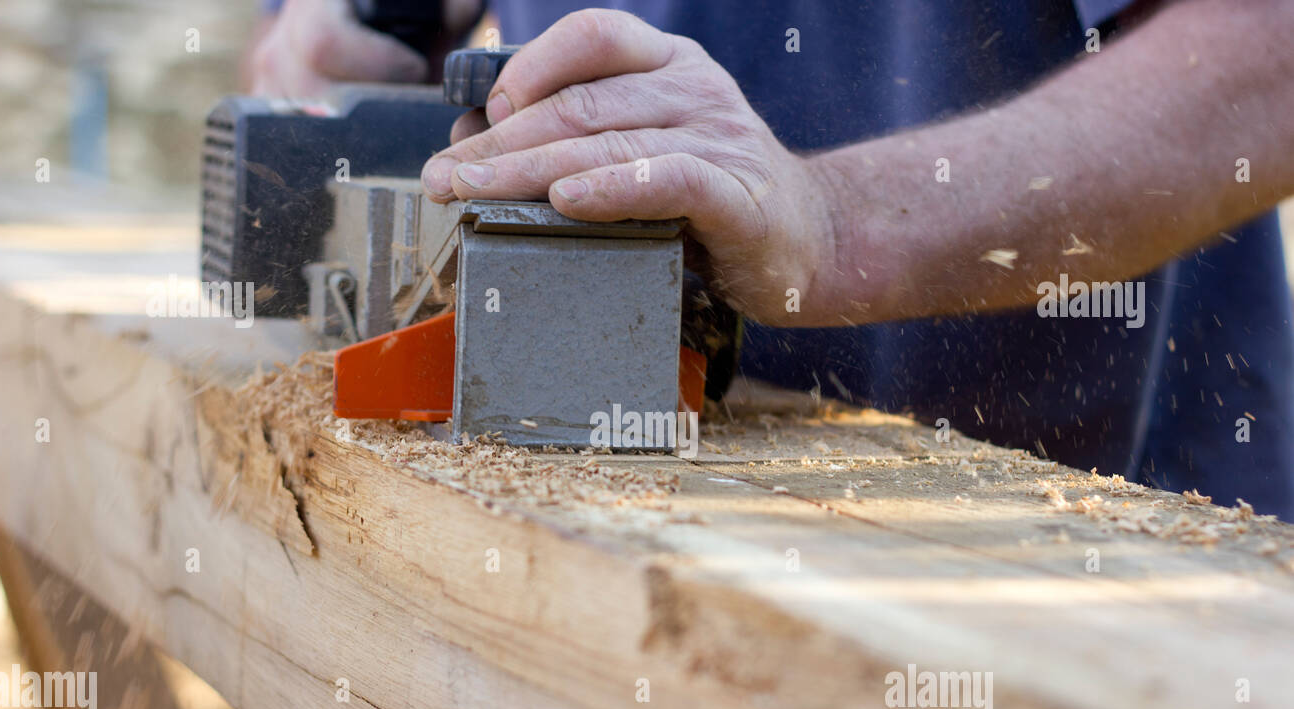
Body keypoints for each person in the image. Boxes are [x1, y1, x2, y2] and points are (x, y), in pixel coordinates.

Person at [251, 0, 1294, 519]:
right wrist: (327, 39)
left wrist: (838, 222)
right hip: (585, 504)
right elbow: (334, 40)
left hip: (1054, 554)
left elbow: (1264, 48)